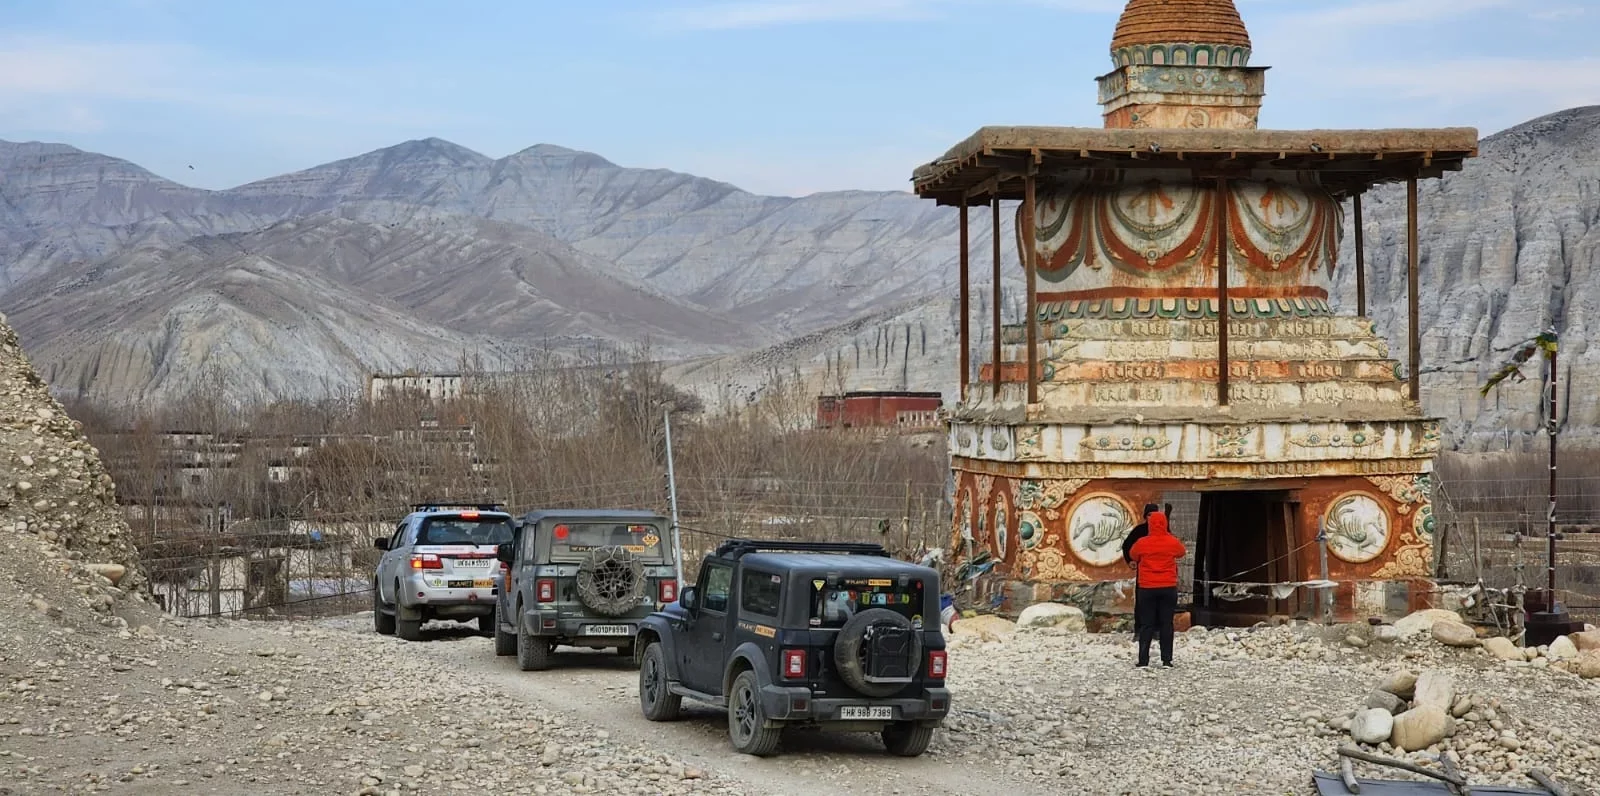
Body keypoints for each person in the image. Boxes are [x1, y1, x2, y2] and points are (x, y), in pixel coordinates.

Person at [1129, 509, 1187, 668]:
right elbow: (1181, 552)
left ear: (1150, 524)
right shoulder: (1172, 542)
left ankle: (1143, 660)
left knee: (1146, 624)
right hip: (1168, 587)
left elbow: (1133, 555)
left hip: (1147, 588)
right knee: (1166, 624)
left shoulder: (1142, 542)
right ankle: (1167, 660)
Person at [1121, 503, 1160, 639]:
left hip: (1161, 574)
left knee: (1159, 604)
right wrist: (1130, 561)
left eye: (1154, 515)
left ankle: (1157, 630)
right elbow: (1127, 546)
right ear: (1145, 516)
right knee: (1142, 603)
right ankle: (1139, 631)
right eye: (1149, 515)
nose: (1151, 518)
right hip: (1144, 573)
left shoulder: (1164, 532)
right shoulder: (1140, 531)